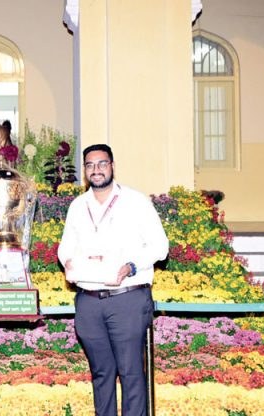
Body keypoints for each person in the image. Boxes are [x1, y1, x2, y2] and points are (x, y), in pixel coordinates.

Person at [57, 144, 168, 416]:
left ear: (112, 166)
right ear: (84, 171)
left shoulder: (136, 201)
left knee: (131, 373)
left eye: (102, 163)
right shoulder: (77, 206)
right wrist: (67, 260)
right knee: (101, 373)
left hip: (127, 297)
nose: (96, 170)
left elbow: (160, 246)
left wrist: (131, 266)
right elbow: (65, 247)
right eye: (90, 165)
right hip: (89, 301)